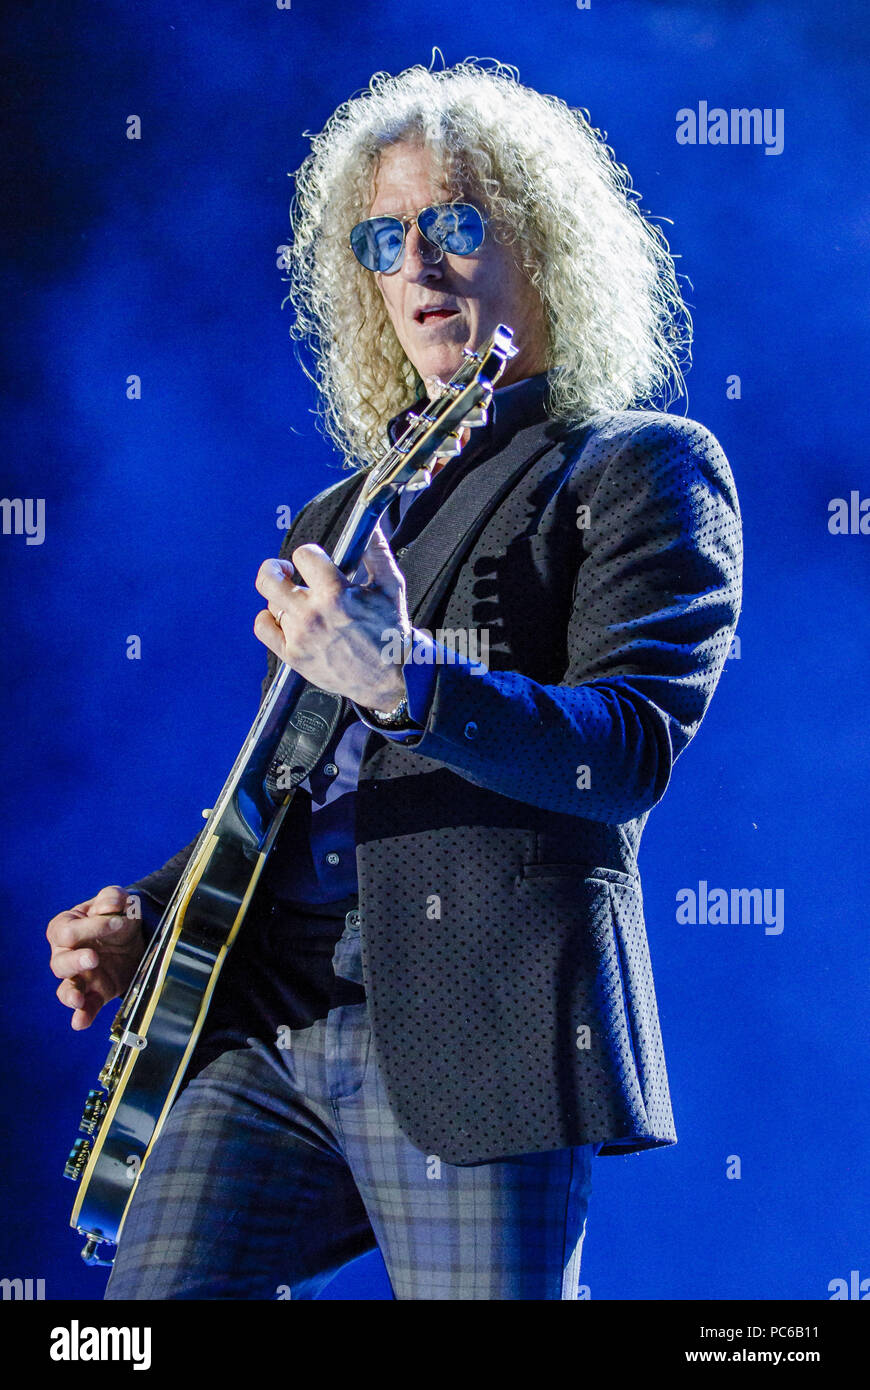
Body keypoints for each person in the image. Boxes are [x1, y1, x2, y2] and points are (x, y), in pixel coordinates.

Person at [47, 58, 742, 1300]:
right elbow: (292, 790)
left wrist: (409, 680)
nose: (419, 264)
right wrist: (152, 909)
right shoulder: (346, 503)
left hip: (482, 1030)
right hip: (265, 1030)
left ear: (544, 243)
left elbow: (625, 750)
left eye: (456, 222)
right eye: (386, 237)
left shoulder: (638, 468)